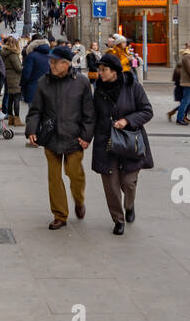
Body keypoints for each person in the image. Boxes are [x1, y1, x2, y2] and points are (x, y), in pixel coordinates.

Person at [25, 44, 95, 230]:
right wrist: (31, 130)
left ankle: (79, 200)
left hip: (74, 137)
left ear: (66, 64)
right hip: (51, 137)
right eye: (51, 62)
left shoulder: (81, 82)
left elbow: (89, 113)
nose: (52, 65)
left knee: (75, 173)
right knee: (54, 178)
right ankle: (60, 215)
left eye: (55, 63)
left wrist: (86, 136)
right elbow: (35, 110)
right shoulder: (44, 82)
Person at [91, 52, 154, 235]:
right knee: (111, 185)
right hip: (106, 142)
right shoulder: (99, 90)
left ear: (115, 71)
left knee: (129, 182)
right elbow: (93, 116)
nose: (100, 73)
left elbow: (147, 111)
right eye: (99, 70)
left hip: (130, 141)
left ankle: (129, 205)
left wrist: (127, 121)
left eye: (104, 70)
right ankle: (118, 220)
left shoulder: (133, 87)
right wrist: (84, 138)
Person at [20, 32, 51, 108]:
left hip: (34, 89)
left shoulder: (31, 56)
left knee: (33, 114)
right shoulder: (51, 56)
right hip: (49, 89)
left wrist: (22, 85)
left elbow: (26, 74)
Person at [2, 36, 24, 125]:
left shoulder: (4, 53)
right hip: (15, 77)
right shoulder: (13, 54)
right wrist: (23, 67)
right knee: (16, 98)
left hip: (8, 76)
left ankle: (11, 118)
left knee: (11, 98)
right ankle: (17, 119)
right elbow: (18, 68)